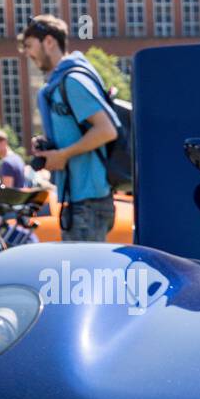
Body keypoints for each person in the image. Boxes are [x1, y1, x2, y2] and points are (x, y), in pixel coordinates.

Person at [20, 14, 119, 242]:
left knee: (86, 277)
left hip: (88, 202)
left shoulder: (72, 81)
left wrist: (63, 155)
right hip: (79, 201)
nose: (27, 53)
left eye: (29, 45)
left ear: (49, 42)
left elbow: (106, 130)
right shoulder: (59, 83)